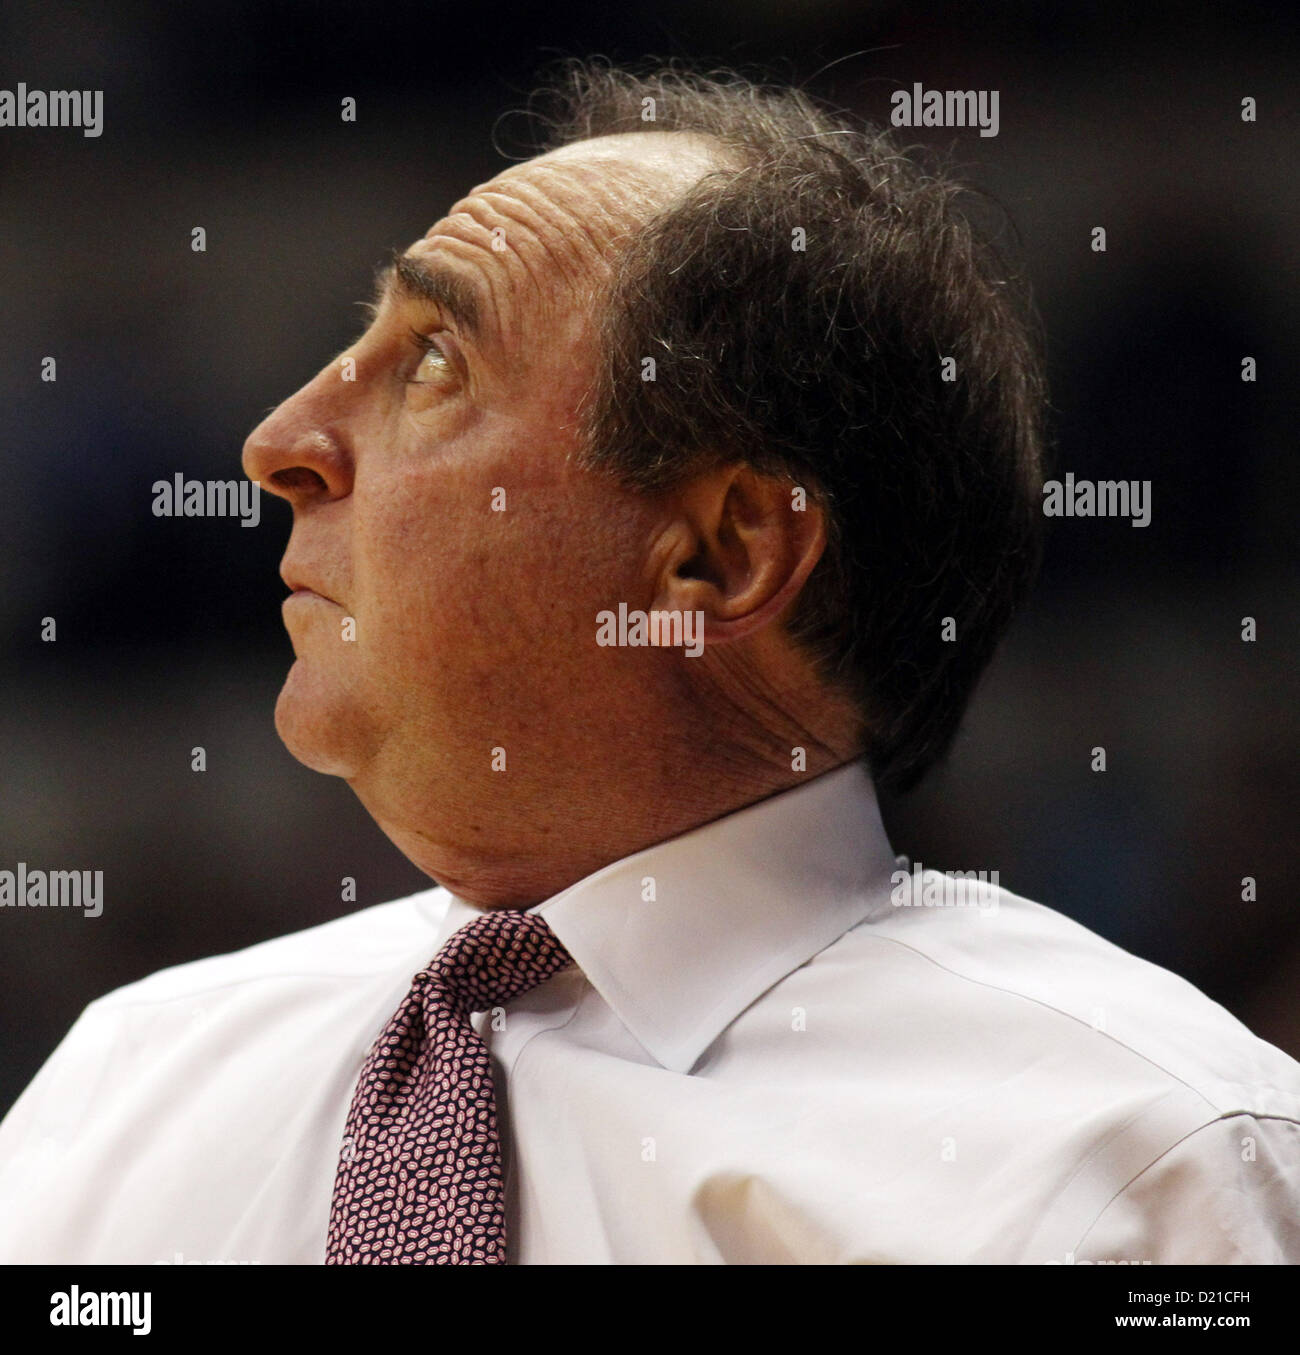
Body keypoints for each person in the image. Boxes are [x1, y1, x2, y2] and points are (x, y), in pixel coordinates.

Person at [1, 59, 1296, 1265]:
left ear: (721, 556)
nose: (278, 443)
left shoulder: (1151, 1166)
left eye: (436, 362)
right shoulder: (121, 1091)